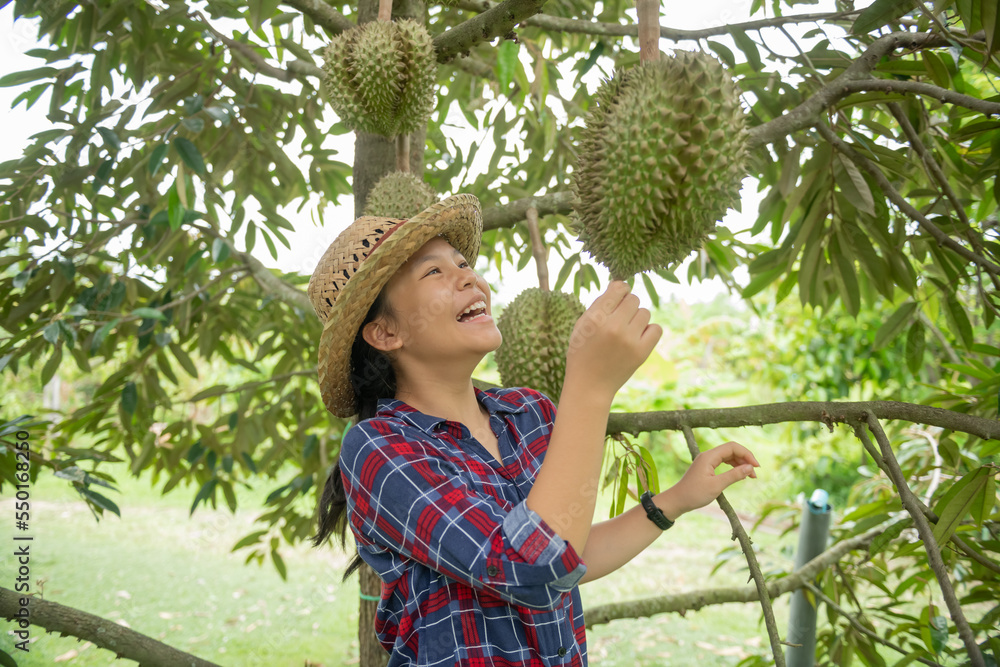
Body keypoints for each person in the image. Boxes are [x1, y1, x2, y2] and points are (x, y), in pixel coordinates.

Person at [307, 194, 760, 666]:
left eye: (462, 263)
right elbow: (532, 568)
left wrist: (676, 500)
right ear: (385, 334)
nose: (469, 276)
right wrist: (590, 388)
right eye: (433, 272)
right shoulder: (379, 449)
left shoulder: (528, 413)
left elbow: (567, 558)